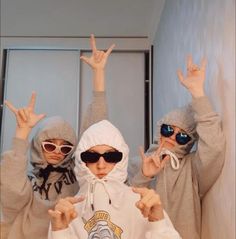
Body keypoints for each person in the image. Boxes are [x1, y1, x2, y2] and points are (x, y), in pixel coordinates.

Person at [0, 34, 113, 239]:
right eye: (50, 146)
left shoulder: (79, 174)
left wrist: (98, 76)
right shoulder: (27, 181)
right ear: (38, 146)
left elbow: (95, 131)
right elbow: (11, 196)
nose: (57, 153)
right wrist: (21, 134)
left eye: (65, 148)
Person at [129, 56, 226, 239]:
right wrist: (145, 175)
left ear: (189, 142)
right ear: (160, 129)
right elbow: (123, 207)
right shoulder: (136, 164)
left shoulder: (192, 169)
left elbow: (214, 148)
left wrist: (198, 94)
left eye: (182, 136)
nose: (172, 137)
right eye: (168, 130)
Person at [48, 120, 181, 239]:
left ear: (121, 159)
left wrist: (158, 224)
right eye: (91, 156)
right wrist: (60, 232)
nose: (101, 165)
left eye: (111, 156)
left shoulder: (142, 204)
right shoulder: (68, 211)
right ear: (81, 161)